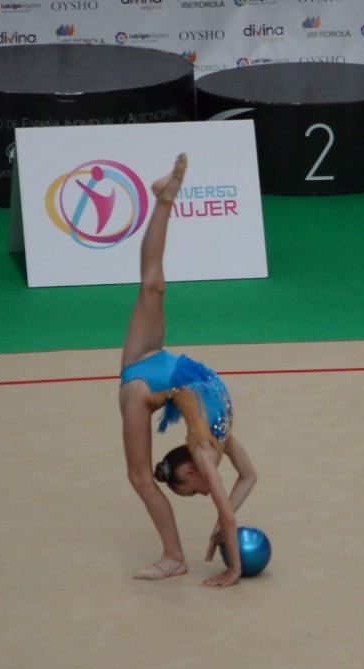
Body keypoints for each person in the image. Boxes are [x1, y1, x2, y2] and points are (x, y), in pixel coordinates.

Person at [118, 153, 258, 589]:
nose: (203, 493)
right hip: (155, 371)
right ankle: (174, 558)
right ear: (193, 473)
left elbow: (247, 480)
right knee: (153, 282)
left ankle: (165, 199)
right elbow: (240, 488)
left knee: (152, 282)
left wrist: (222, 520)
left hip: (149, 380)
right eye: (198, 491)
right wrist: (233, 566)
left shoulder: (217, 437)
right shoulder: (205, 450)